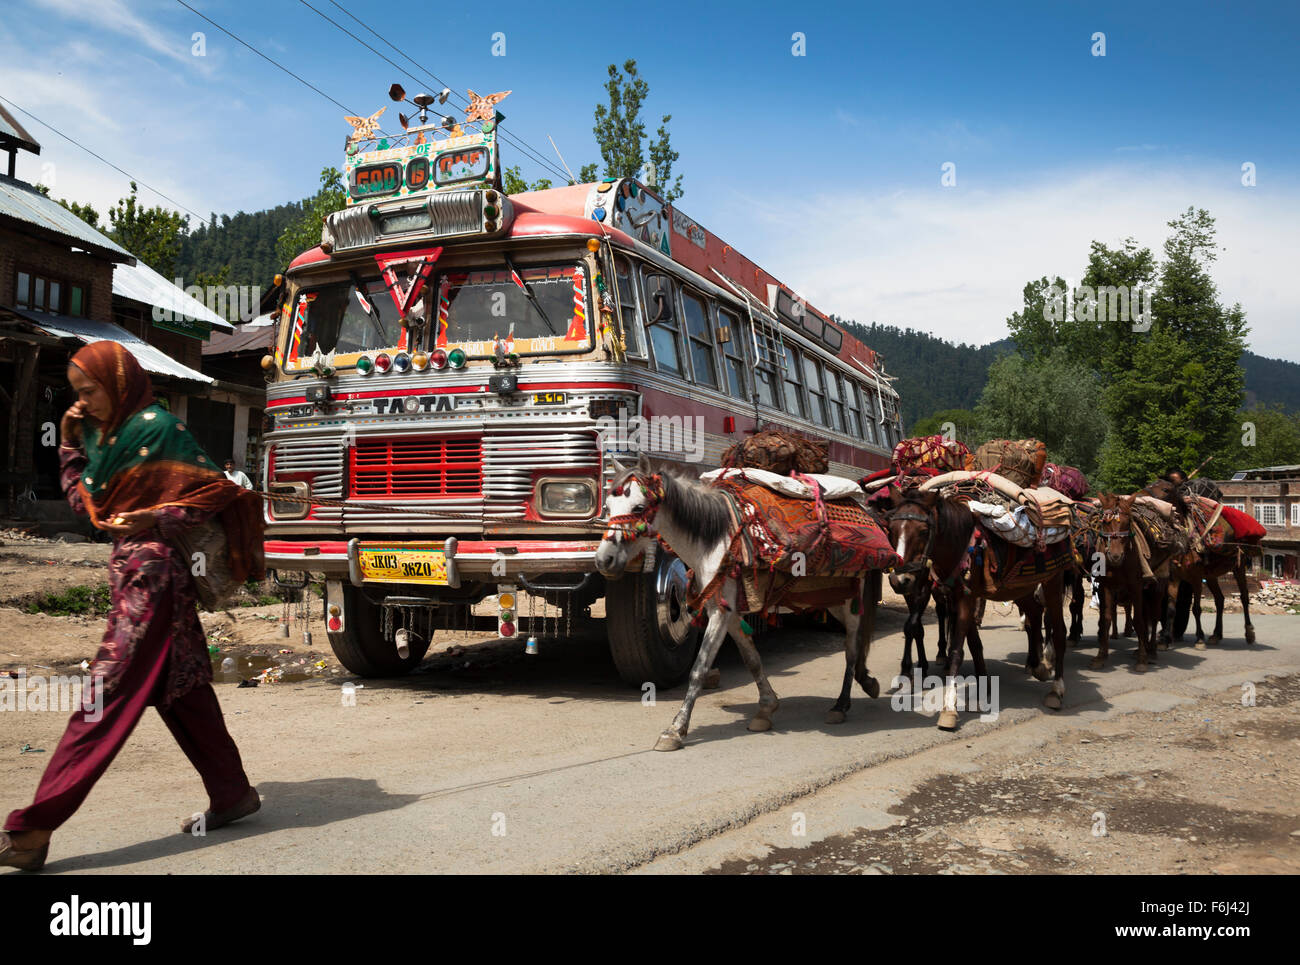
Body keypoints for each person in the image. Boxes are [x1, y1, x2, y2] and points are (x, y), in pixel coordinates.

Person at [1, 342, 265, 872]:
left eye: (90, 392)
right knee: (182, 686)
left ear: (118, 382)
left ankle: (34, 828)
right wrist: (71, 444)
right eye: (76, 395)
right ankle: (232, 792)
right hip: (131, 576)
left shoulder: (160, 428)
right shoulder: (101, 435)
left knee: (107, 694)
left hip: (157, 578)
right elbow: (84, 507)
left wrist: (154, 517)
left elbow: (216, 492)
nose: (83, 403)